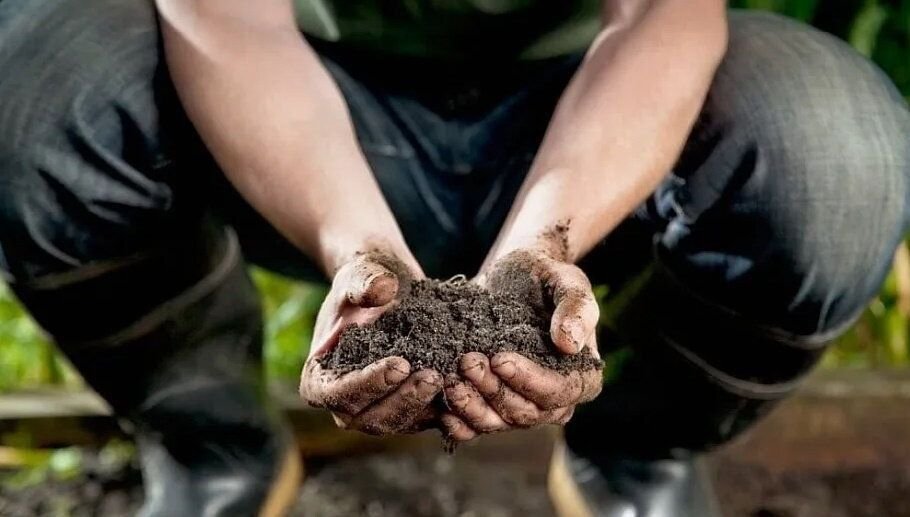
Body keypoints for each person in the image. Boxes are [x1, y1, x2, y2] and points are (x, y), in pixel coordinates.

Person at [0, 0, 907, 515]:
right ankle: (216, 449)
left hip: (591, 119)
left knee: (838, 152)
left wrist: (541, 243)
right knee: (31, 88)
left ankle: (637, 456)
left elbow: (661, 18)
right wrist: (360, 244)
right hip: (301, 113)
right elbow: (228, 21)